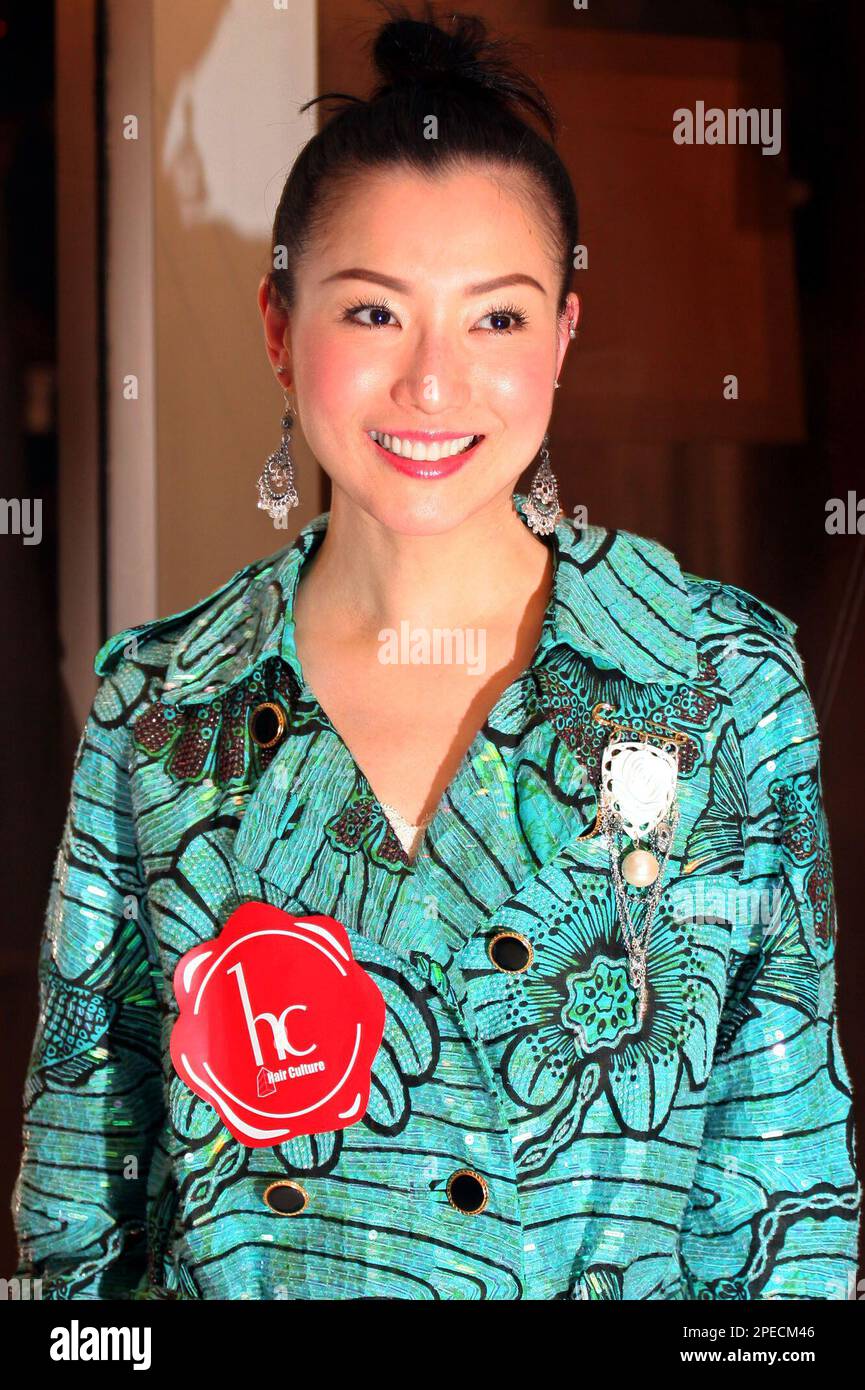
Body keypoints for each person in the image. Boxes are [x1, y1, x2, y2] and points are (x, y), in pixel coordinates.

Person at [10, 2, 860, 1300]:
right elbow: (78, 1204)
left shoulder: (724, 686)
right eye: (371, 314)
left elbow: (786, 1210)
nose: (431, 385)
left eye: (496, 321)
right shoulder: (157, 707)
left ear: (563, 338)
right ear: (280, 329)